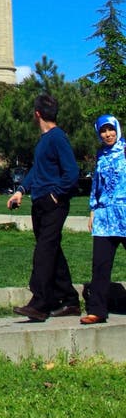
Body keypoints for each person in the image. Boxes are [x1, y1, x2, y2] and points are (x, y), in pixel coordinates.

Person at [7, 93, 81, 322]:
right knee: (52, 251)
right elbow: (36, 170)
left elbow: (72, 173)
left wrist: (56, 195)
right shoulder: (44, 140)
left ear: (37, 114)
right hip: (39, 201)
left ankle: (40, 303)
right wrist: (21, 190)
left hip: (53, 204)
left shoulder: (58, 138)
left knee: (43, 252)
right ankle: (69, 301)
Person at [80, 114, 126, 325]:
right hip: (105, 217)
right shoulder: (101, 155)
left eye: (111, 129)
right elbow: (96, 185)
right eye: (103, 131)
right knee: (100, 264)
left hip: (124, 214)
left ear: (117, 128)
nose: (108, 134)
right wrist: (92, 210)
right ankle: (97, 310)